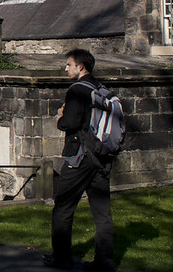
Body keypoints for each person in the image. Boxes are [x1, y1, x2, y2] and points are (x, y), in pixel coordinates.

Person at [45, 49, 114, 271]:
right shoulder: (101, 89)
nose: (66, 68)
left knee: (63, 208)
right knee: (102, 212)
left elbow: (70, 123)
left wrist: (60, 119)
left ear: (80, 67)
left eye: (69, 64)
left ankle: (62, 259)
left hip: (80, 156)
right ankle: (104, 262)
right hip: (100, 156)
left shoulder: (77, 90)